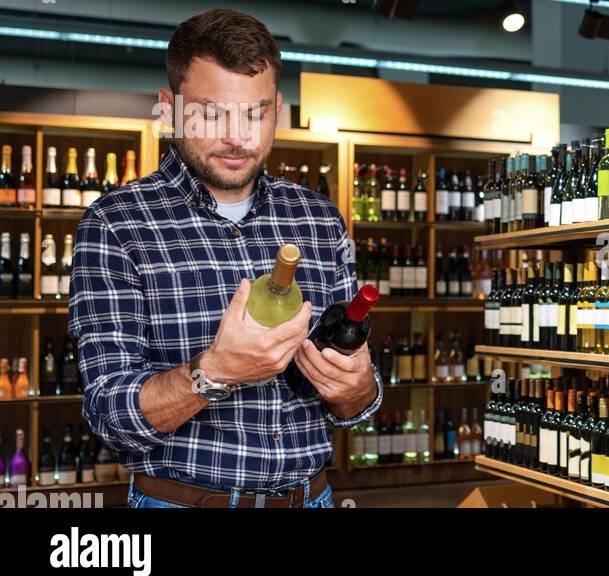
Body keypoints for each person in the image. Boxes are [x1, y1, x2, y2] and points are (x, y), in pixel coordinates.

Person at [69, 9, 380, 508]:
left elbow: (358, 403)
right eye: (212, 113)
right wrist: (214, 372)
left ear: (277, 108)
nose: (238, 136)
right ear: (169, 109)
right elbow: (109, 416)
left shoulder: (321, 220)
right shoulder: (116, 224)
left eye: (255, 113)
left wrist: (356, 386)